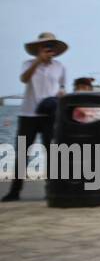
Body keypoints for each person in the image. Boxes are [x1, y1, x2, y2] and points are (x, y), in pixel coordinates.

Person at [4, 32, 68, 202]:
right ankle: (14, 191)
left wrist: (61, 92)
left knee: (53, 153)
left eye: (51, 46)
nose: (49, 49)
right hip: (28, 115)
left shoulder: (60, 66)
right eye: (45, 46)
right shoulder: (28, 64)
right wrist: (38, 62)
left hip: (49, 116)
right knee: (22, 154)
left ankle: (51, 190)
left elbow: (62, 86)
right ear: (38, 48)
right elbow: (24, 79)